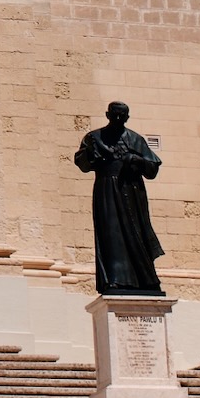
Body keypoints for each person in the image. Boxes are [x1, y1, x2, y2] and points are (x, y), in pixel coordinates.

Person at [73, 100, 164, 295]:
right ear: (107, 115)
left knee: (137, 232)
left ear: (127, 118)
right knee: (111, 234)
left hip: (132, 191)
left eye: (122, 116)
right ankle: (114, 278)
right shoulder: (94, 137)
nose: (118, 119)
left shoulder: (135, 139)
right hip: (107, 190)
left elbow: (152, 168)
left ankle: (146, 279)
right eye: (114, 115)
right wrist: (92, 155)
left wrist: (137, 160)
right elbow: (82, 163)